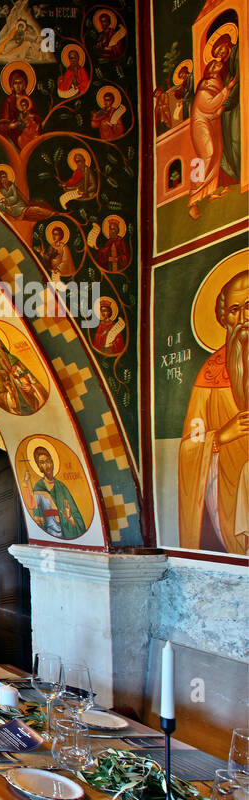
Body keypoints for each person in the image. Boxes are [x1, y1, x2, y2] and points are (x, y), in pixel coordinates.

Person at [178, 269, 248, 553]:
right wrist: (219, 437)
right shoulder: (210, 374)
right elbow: (188, 446)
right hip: (229, 503)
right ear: (224, 317)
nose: (243, 318)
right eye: (235, 310)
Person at [187, 35, 239, 220]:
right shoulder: (204, 86)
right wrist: (228, 88)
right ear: (209, 71)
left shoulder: (217, 83)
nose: (218, 66)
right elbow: (208, 105)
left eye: (219, 65)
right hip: (201, 126)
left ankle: (208, 192)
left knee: (215, 156)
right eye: (214, 65)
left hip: (212, 124)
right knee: (205, 156)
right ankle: (193, 200)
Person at [0, 325, 47, 414]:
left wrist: (31, 387)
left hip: (32, 399)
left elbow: (32, 378)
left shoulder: (14, 359)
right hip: (17, 406)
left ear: (0, 342)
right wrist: (9, 394)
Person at [27, 445, 86, 538]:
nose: (47, 465)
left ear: (53, 462)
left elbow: (76, 516)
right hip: (50, 534)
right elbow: (36, 514)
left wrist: (69, 518)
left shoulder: (62, 487)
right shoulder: (38, 488)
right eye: (42, 463)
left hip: (65, 533)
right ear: (39, 467)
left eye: (48, 461)